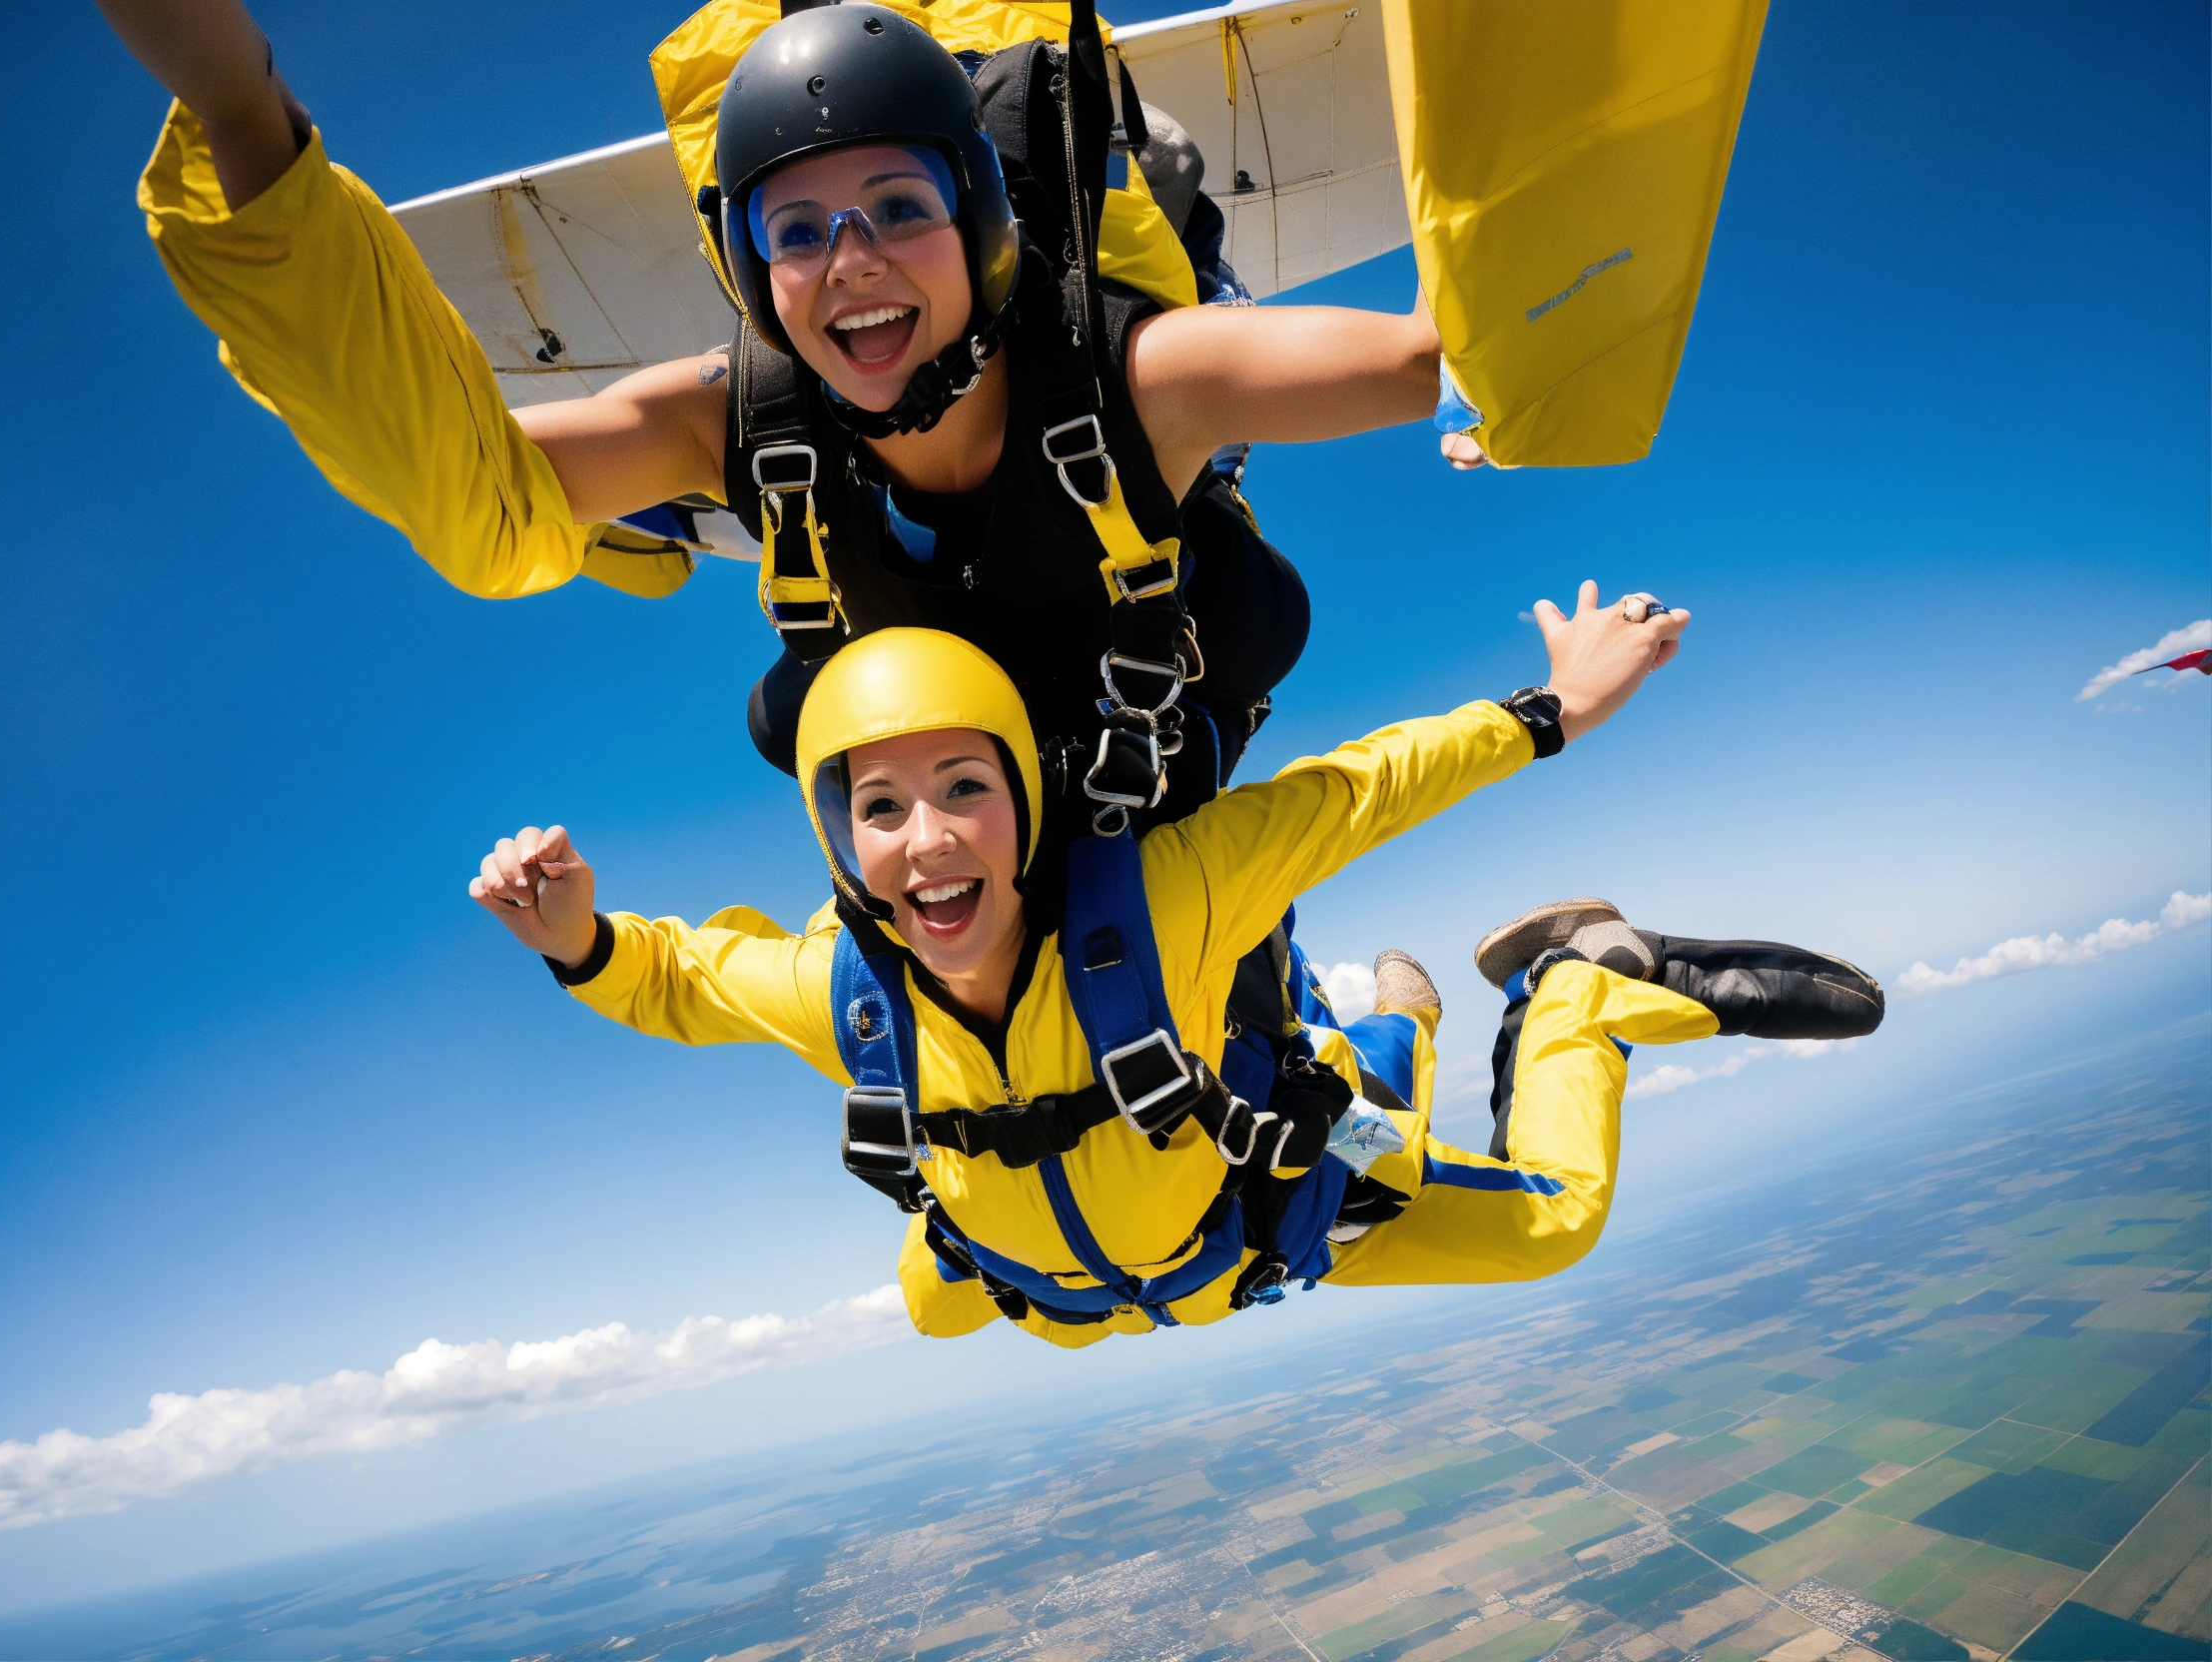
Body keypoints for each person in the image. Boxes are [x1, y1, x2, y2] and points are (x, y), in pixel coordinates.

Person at [99, 0, 1486, 824]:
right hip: (992, 795)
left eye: (898, 208)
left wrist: (1515, 355)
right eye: (799, 231)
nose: (854, 260)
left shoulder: (1150, 375)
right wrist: (240, 116)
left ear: (987, 225)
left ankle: (1162, 201)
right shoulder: (733, 416)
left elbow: (1425, 356)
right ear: (753, 275)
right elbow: (476, 493)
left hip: (1132, 712)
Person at [464, 588, 1884, 1347]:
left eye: (964, 785)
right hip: (1075, 1284)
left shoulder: (1160, 897)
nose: (926, 840)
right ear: (835, 845)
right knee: (932, 1297)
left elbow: (1358, 790)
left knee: (1540, 1218)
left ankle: (1579, 983)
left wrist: (1552, 708)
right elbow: (686, 980)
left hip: (1255, 1224)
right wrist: (575, 938)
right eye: (877, 808)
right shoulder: (847, 989)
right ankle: (1395, 1006)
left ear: (1026, 799)